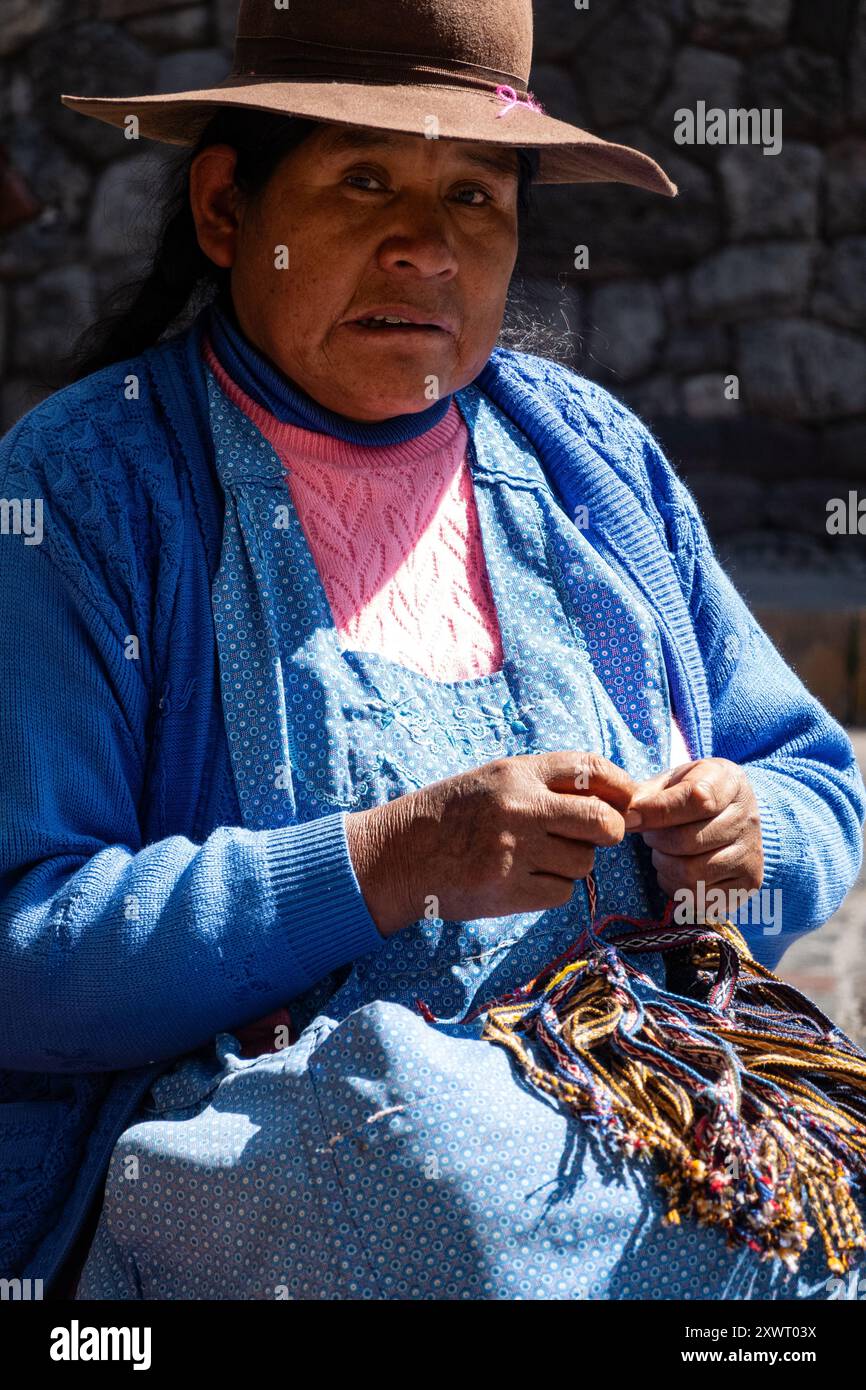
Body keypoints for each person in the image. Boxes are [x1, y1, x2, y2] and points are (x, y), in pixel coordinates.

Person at [1, 0, 864, 1300]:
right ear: (227, 208)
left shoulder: (588, 462)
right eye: (363, 180)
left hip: (619, 1090)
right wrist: (390, 858)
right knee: (444, 1185)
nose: (423, 244)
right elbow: (29, 952)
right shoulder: (84, 487)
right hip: (282, 1158)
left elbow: (811, 777)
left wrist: (751, 840)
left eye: (472, 194)